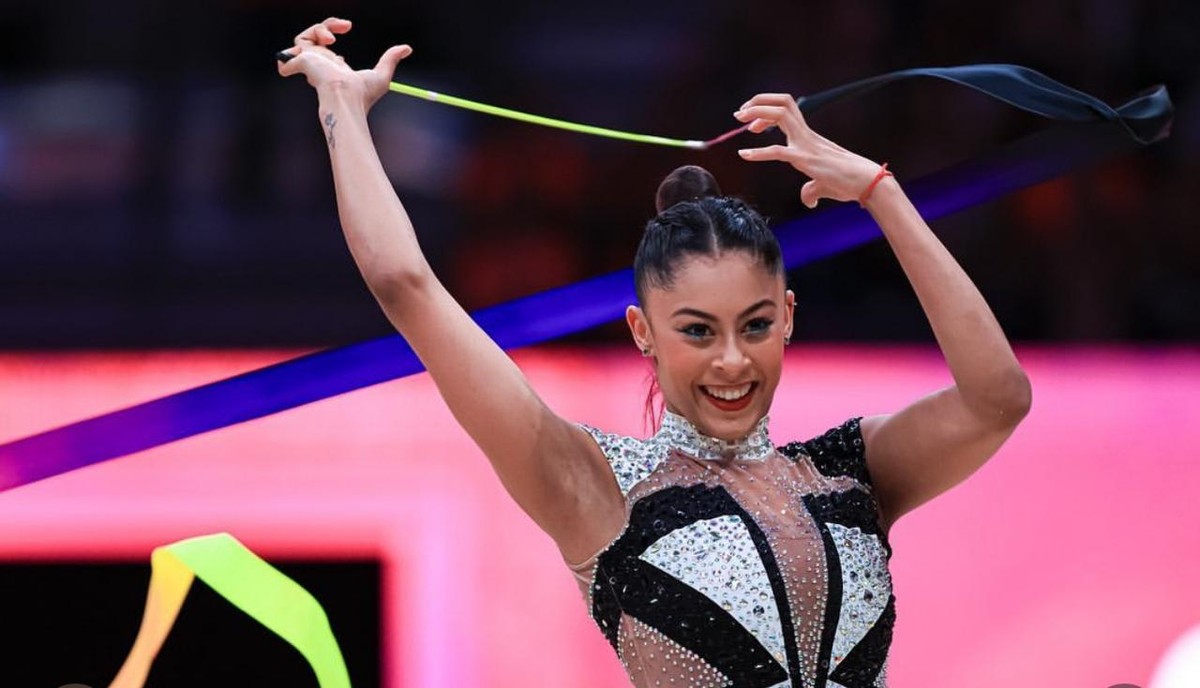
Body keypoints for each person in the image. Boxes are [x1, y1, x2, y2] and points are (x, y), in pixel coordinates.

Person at [278, 17, 1032, 688]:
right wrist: (341, 107)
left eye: (757, 326)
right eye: (698, 331)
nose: (732, 361)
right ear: (644, 333)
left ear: (790, 318)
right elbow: (406, 285)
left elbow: (999, 398)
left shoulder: (850, 473)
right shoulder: (596, 489)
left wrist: (880, 194)